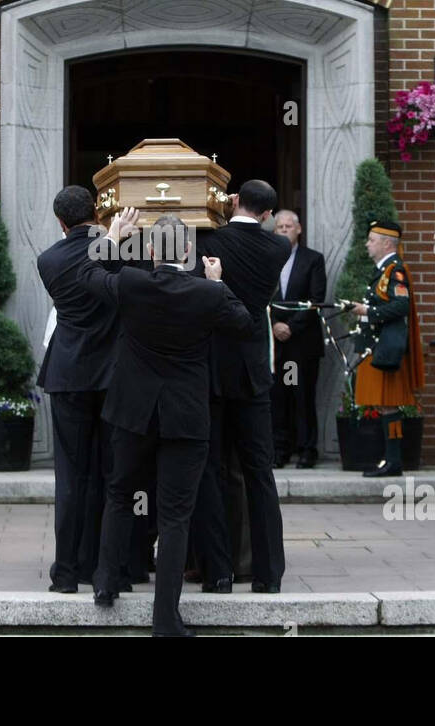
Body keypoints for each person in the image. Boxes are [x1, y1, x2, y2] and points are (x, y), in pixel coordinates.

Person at [83, 209, 252, 637]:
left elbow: (89, 277)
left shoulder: (133, 283)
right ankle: (165, 619)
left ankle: (105, 584)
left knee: (120, 494)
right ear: (192, 252)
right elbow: (243, 322)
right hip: (185, 415)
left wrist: (113, 239)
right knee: (176, 515)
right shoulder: (207, 293)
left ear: (153, 249)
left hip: (132, 411)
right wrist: (217, 282)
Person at [191, 180, 291, 595]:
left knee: (210, 470)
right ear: (268, 214)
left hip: (212, 367)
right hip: (252, 370)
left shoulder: (208, 237)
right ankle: (268, 574)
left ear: (234, 201)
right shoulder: (279, 249)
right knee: (258, 472)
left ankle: (219, 572)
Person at [36, 185, 122, 593]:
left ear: (61, 222)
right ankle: (104, 569)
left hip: (69, 370)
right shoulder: (118, 248)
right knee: (111, 473)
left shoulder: (48, 258)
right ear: (96, 212)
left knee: (71, 476)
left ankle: (67, 571)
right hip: (112, 374)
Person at [350, 219, 425, 477]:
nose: (367, 244)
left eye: (371, 240)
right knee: (383, 405)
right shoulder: (384, 269)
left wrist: (368, 311)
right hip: (378, 345)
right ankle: (388, 459)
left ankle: (394, 461)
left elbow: (401, 306)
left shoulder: (395, 271)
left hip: (387, 347)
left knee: (390, 404)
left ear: (385, 243)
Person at [269, 209, 327, 469]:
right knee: (277, 397)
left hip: (302, 342)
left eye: (288, 226)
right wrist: (274, 326)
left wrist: (290, 327)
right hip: (275, 342)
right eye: (279, 227)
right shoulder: (266, 258)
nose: (283, 230)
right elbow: (259, 297)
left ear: (299, 229)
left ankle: (307, 449)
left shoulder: (313, 260)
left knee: (303, 397)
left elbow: (316, 300)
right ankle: (280, 449)